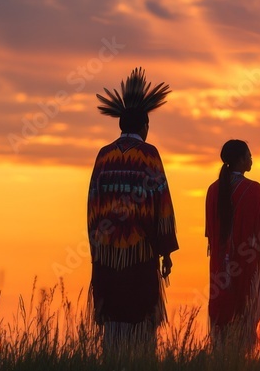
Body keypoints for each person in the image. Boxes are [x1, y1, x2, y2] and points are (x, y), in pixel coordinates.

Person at [87, 67, 178, 357]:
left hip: (108, 256)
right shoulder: (149, 154)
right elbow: (161, 203)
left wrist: (96, 246)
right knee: (141, 318)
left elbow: (92, 205)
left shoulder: (104, 155)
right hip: (140, 252)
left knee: (112, 317)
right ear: (145, 126)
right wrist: (165, 251)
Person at [204, 139, 260, 350]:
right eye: (249, 155)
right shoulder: (253, 189)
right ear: (241, 160)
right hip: (247, 267)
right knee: (245, 321)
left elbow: (211, 236)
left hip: (220, 270)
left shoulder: (213, 190)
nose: (252, 159)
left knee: (223, 324)